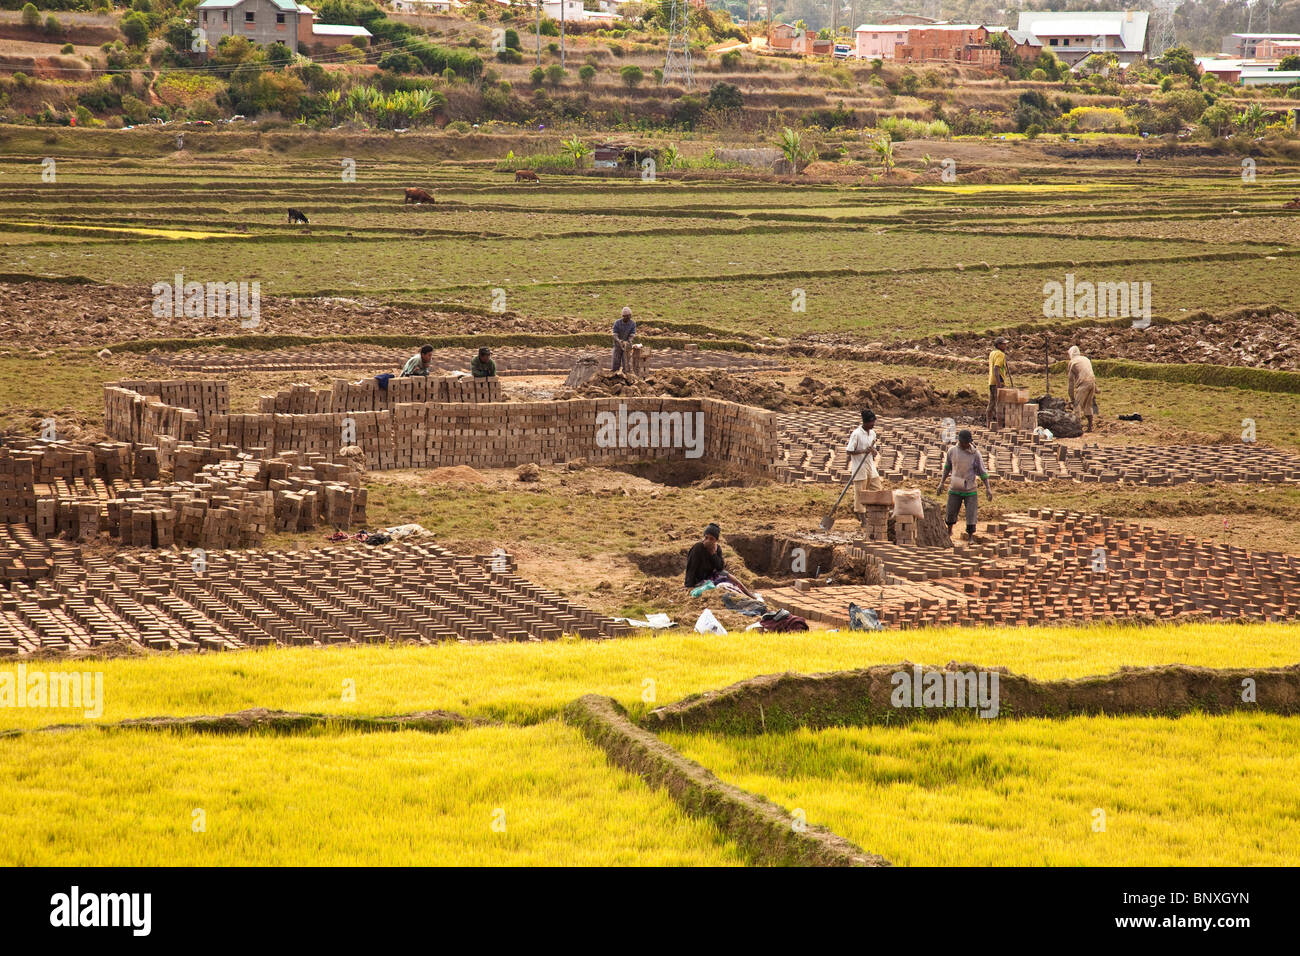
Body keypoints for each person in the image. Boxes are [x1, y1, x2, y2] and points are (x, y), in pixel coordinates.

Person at [937, 429, 993, 543]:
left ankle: (970, 536)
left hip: (970, 489)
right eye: (964, 443)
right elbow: (947, 468)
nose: (966, 445)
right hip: (955, 488)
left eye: (968, 443)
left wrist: (988, 488)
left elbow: (982, 471)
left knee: (971, 514)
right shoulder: (952, 451)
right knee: (951, 512)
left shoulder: (975, 454)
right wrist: (941, 483)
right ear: (960, 441)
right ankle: (949, 530)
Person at [684, 523, 756, 597]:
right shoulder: (698, 547)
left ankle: (749, 594)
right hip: (698, 579)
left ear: (716, 540)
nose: (708, 540)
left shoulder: (717, 548)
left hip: (710, 576)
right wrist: (689, 586)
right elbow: (691, 567)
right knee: (720, 586)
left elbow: (720, 567)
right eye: (706, 538)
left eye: (711, 539)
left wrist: (713, 554)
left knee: (729, 576)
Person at [845, 409, 883, 530]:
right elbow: (849, 450)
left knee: (878, 489)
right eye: (872, 422)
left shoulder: (872, 433)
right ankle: (863, 520)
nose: (873, 425)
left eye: (874, 422)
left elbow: (874, 451)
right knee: (860, 494)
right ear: (865, 422)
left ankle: (876, 515)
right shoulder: (856, 434)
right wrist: (862, 451)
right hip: (859, 468)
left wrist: (874, 452)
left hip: (870, 466)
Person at [1067, 345, 1099, 432]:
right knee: (1088, 405)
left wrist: (1072, 398)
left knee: (1077, 406)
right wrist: (1096, 388)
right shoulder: (1086, 359)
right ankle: (1089, 427)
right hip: (1092, 382)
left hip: (1083, 384)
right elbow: (1090, 373)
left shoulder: (1072, 362)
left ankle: (1077, 428)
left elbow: (1071, 382)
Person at [987, 336, 1011, 429]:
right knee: (999, 404)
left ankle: (988, 424)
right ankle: (1000, 426)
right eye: (1004, 344)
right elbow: (996, 368)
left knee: (991, 403)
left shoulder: (992, 353)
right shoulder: (1000, 354)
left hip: (991, 381)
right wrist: (999, 384)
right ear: (999, 345)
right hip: (998, 382)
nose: (1006, 345)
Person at [612, 306, 637, 372]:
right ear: (623, 316)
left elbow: (632, 334)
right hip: (618, 345)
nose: (629, 317)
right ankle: (614, 374)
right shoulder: (617, 323)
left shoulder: (632, 323)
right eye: (627, 316)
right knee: (616, 361)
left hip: (627, 345)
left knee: (626, 362)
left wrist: (628, 341)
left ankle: (626, 374)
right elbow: (614, 334)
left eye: (630, 316)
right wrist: (619, 341)